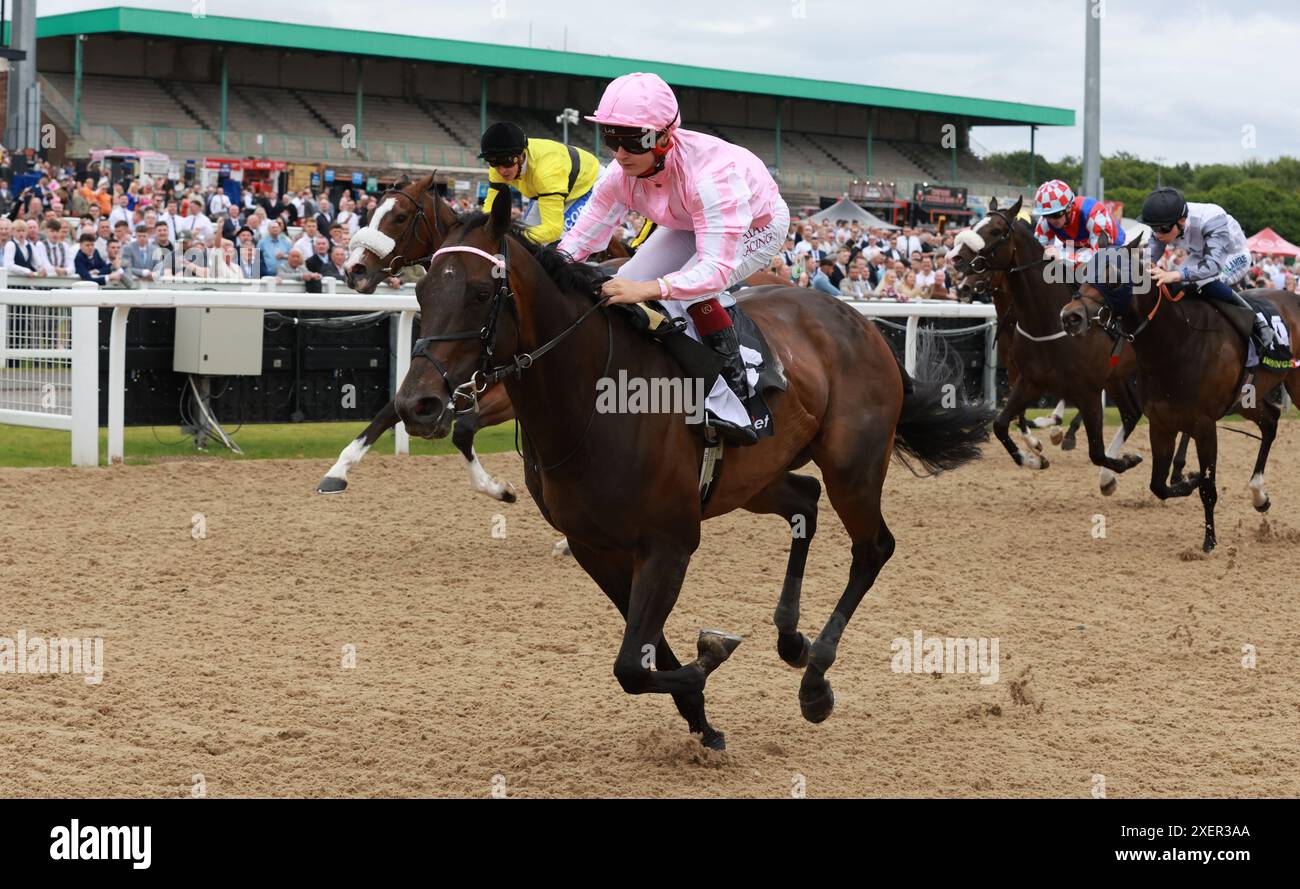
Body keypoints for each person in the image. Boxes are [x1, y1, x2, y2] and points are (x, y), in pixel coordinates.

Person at [557, 72, 790, 445]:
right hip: (688, 220)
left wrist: (649, 288)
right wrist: (544, 264)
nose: (619, 153)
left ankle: (735, 384)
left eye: (632, 140)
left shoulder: (713, 178)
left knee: (685, 293)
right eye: (610, 137)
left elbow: (714, 271)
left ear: (664, 135)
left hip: (757, 225)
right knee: (626, 279)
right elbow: (582, 237)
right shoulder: (619, 173)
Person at [1140, 186, 1280, 362]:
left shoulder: (1212, 217)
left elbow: (1212, 266)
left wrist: (1173, 275)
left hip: (1233, 255)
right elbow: (1149, 258)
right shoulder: (1167, 221)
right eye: (1153, 228)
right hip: (1200, 255)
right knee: (1177, 286)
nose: (1158, 234)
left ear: (1181, 221)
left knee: (1204, 282)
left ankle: (1259, 324)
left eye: (1163, 229)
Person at [479, 121, 601, 246]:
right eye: (494, 163)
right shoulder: (497, 169)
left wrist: (510, 236)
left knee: (562, 245)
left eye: (507, 161)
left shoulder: (547, 171)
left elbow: (552, 230)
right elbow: (489, 211)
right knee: (525, 240)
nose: (502, 170)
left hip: (589, 184)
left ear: (522, 155)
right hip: (551, 190)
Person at [1032, 179, 1123, 265]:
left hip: (1112, 246)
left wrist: (1061, 257)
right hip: (1076, 249)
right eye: (1047, 216)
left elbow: (1099, 255)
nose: (1051, 220)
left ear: (1069, 208)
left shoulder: (1094, 213)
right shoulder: (1045, 221)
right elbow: (1037, 253)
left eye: (1056, 214)